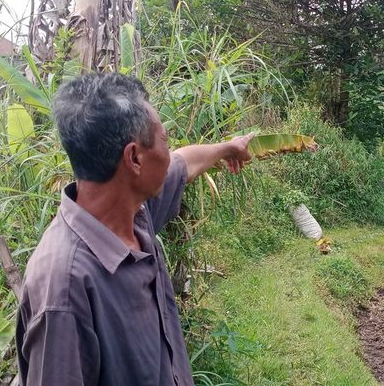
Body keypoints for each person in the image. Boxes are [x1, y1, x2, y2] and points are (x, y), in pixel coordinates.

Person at [15, 73, 253, 385]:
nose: (170, 154)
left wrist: (227, 148)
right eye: (165, 141)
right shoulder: (64, 289)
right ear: (134, 158)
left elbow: (186, 162)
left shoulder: (133, 214)